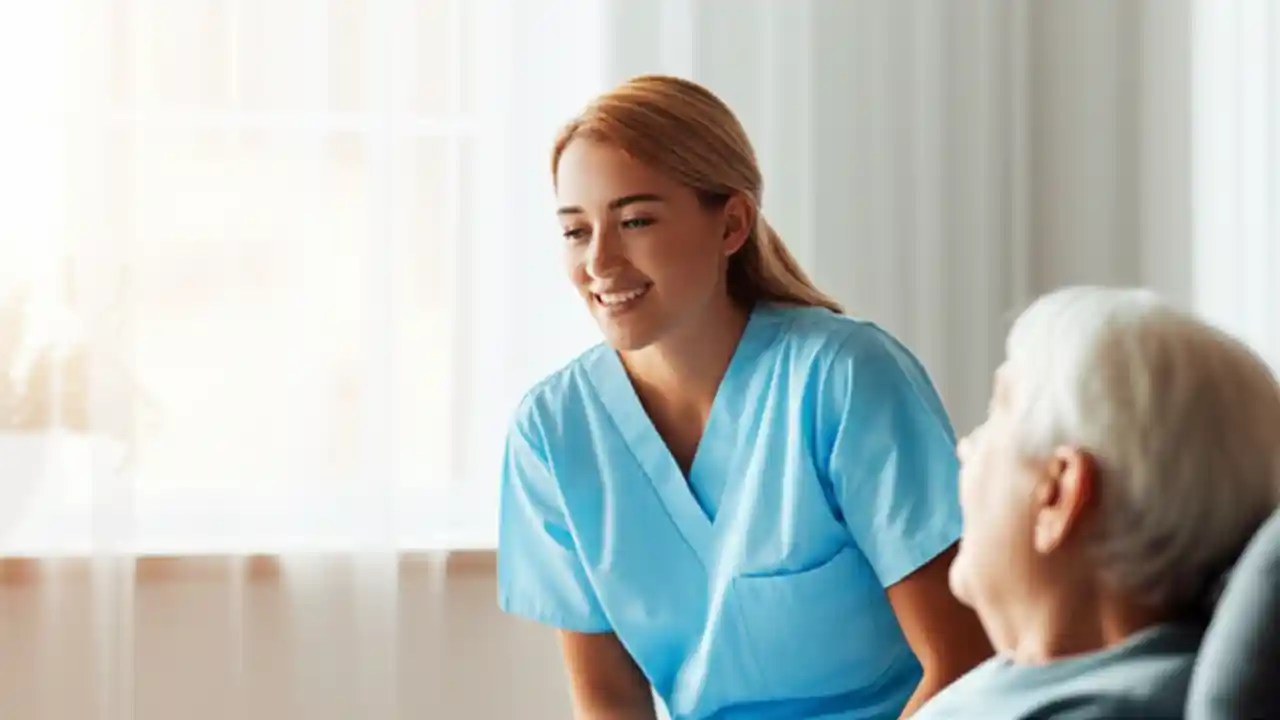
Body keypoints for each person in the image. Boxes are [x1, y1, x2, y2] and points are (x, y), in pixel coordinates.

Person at [496, 75, 990, 720]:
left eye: (636, 220)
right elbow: (608, 698)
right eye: (575, 231)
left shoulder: (844, 378)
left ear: (731, 224)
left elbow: (962, 664)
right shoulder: (554, 430)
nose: (600, 261)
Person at [916, 286, 1280, 719]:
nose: (965, 448)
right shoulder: (1041, 677)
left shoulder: (1114, 709)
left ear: (1059, 493)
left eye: (995, 414)